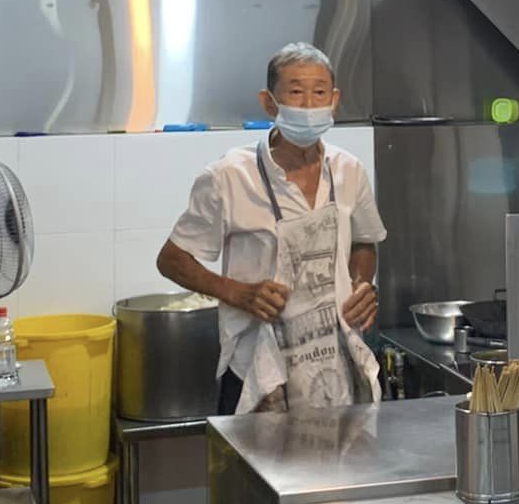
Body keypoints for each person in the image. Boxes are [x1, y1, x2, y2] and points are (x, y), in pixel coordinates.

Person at [156, 43, 385, 415]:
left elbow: (364, 241)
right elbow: (171, 260)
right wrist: (236, 292)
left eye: (319, 92)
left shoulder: (349, 171)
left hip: (334, 368)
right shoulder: (229, 176)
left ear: (335, 99)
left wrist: (362, 284)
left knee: (337, 473)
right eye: (295, 92)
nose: (309, 104)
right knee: (256, 472)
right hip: (254, 376)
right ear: (269, 103)